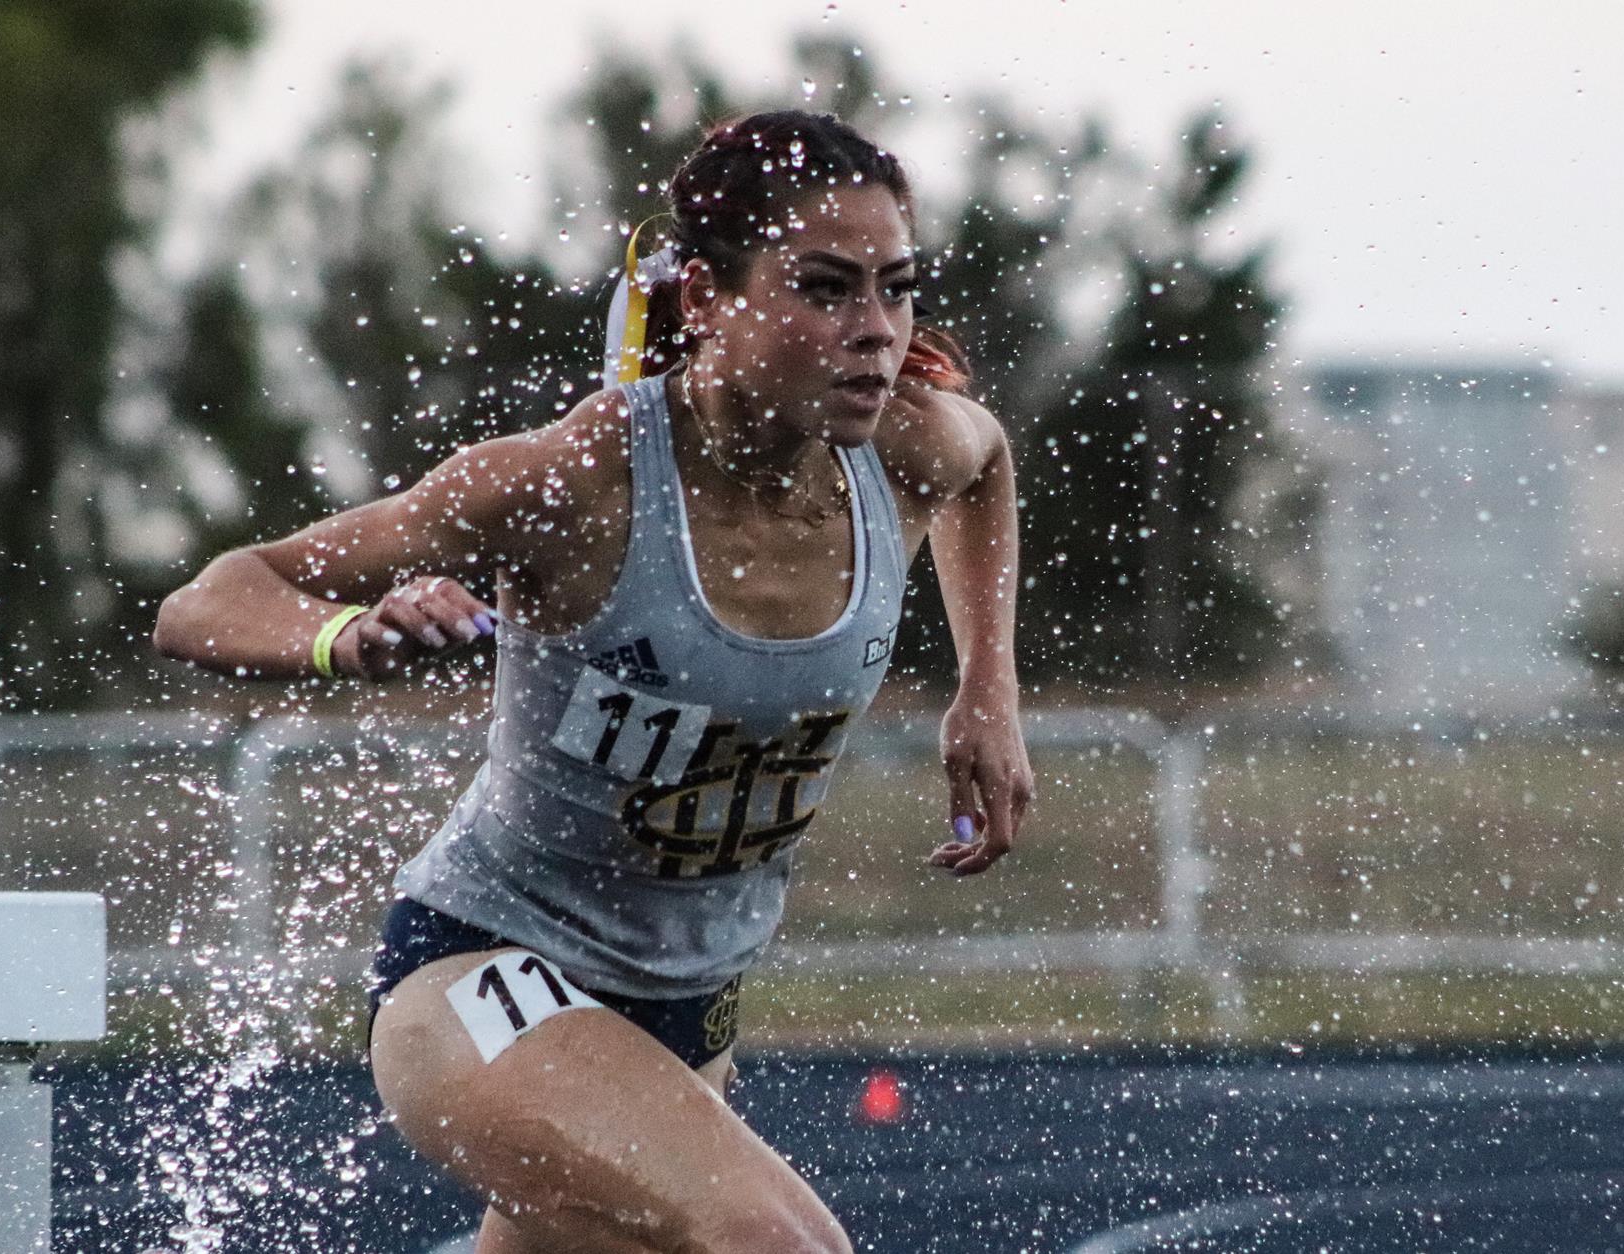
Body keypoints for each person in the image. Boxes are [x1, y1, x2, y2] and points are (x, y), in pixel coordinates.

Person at [152, 109, 1033, 1253]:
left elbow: (990, 466)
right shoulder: (574, 482)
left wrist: (987, 695)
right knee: (776, 1245)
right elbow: (206, 600)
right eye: (823, 289)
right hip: (484, 973)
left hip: (687, 1012)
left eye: (896, 290)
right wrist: (346, 634)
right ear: (707, 298)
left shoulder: (906, 448)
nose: (874, 331)